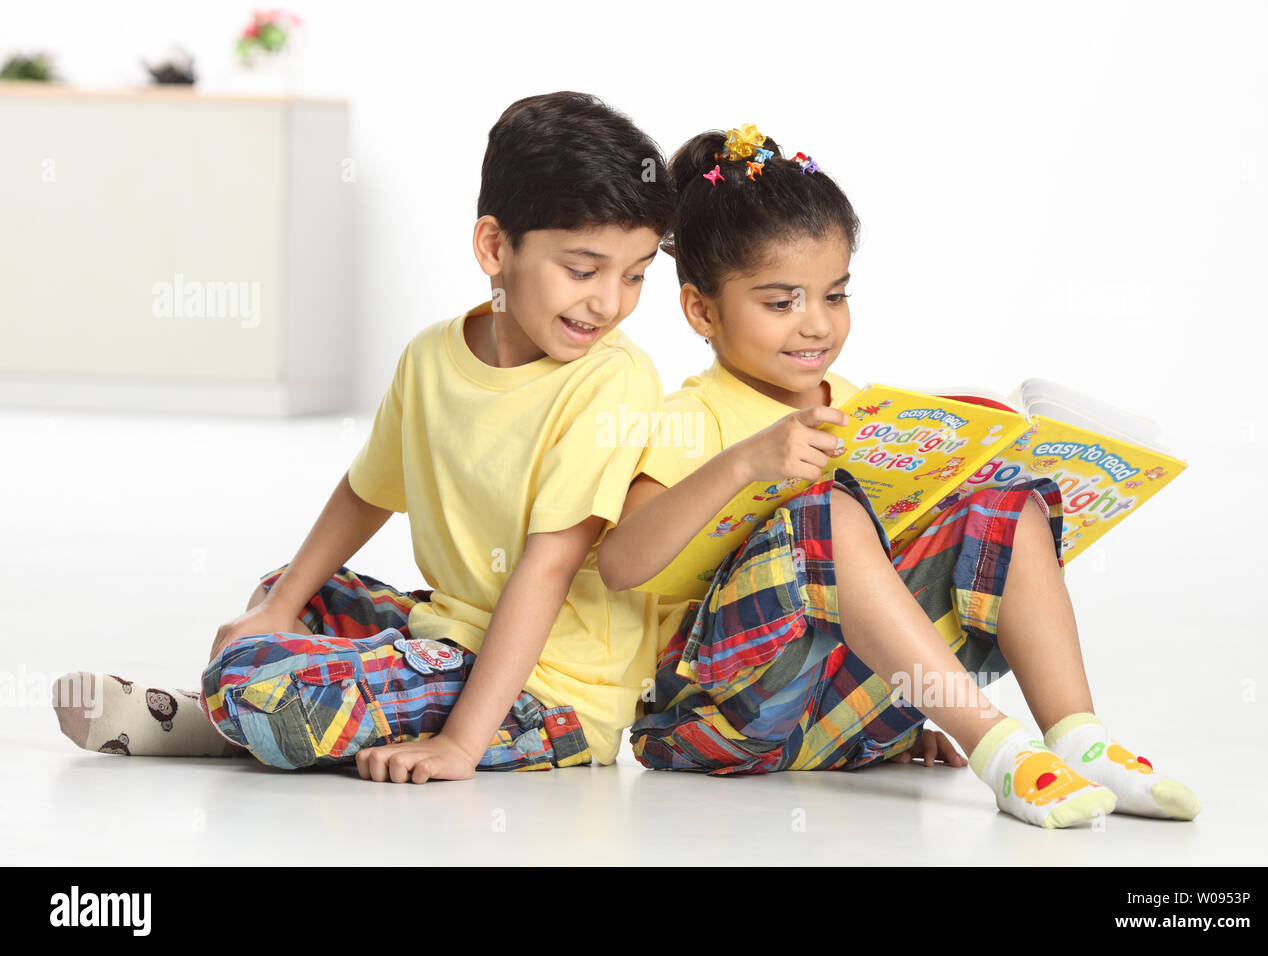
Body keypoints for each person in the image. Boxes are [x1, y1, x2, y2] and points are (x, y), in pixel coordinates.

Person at [53, 91, 675, 782]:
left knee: (261, 678)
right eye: (583, 271)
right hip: (445, 633)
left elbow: (548, 567)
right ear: (495, 247)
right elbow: (365, 493)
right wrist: (285, 606)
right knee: (283, 594)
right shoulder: (432, 357)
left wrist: (461, 745)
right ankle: (254, 714)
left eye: (637, 275)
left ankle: (212, 717)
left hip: (546, 696)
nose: (610, 302)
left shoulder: (612, 382)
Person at [596, 124, 1201, 827]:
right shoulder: (690, 417)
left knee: (1003, 500)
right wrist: (748, 461)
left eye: (835, 295)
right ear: (703, 309)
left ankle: (1080, 739)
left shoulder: (857, 406)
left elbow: (875, 581)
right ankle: (1002, 755)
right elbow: (618, 564)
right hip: (714, 716)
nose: (816, 324)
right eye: (781, 301)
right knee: (825, 511)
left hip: (836, 713)